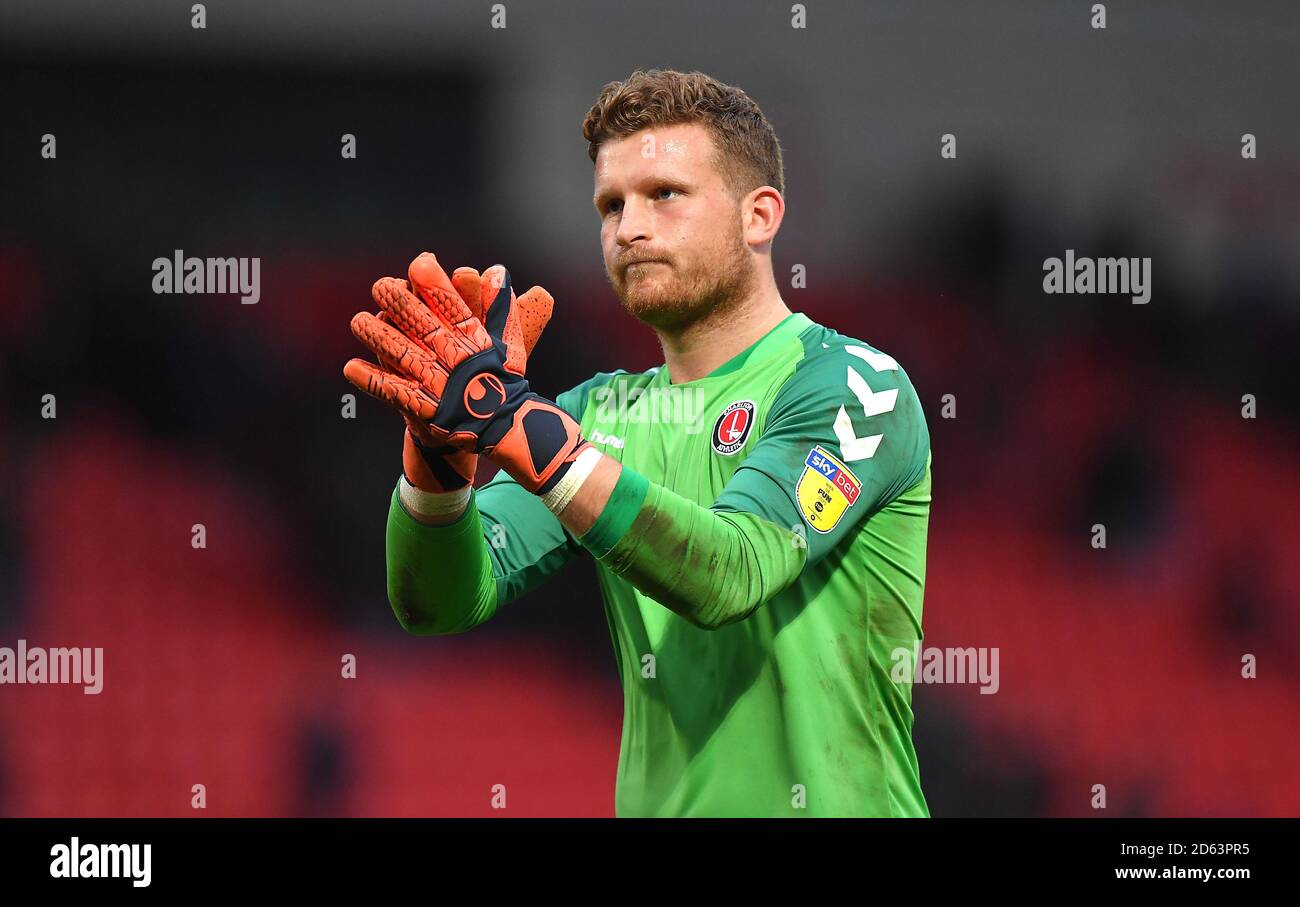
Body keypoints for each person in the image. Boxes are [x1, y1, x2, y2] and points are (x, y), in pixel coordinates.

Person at [344, 69, 933, 817]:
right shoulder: (597, 413)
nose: (629, 228)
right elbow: (439, 602)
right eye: (610, 205)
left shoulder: (855, 384)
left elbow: (731, 571)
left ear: (759, 216)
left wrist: (515, 427)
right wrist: (437, 463)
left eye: (665, 195)